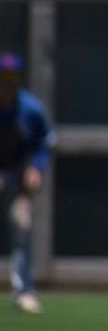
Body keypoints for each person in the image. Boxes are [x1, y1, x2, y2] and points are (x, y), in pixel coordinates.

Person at [0, 52, 55, 315]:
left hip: (18, 175)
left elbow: (45, 143)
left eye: (11, 77)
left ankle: (24, 291)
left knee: (22, 226)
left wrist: (37, 168)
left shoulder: (30, 109)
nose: (7, 82)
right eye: (3, 77)